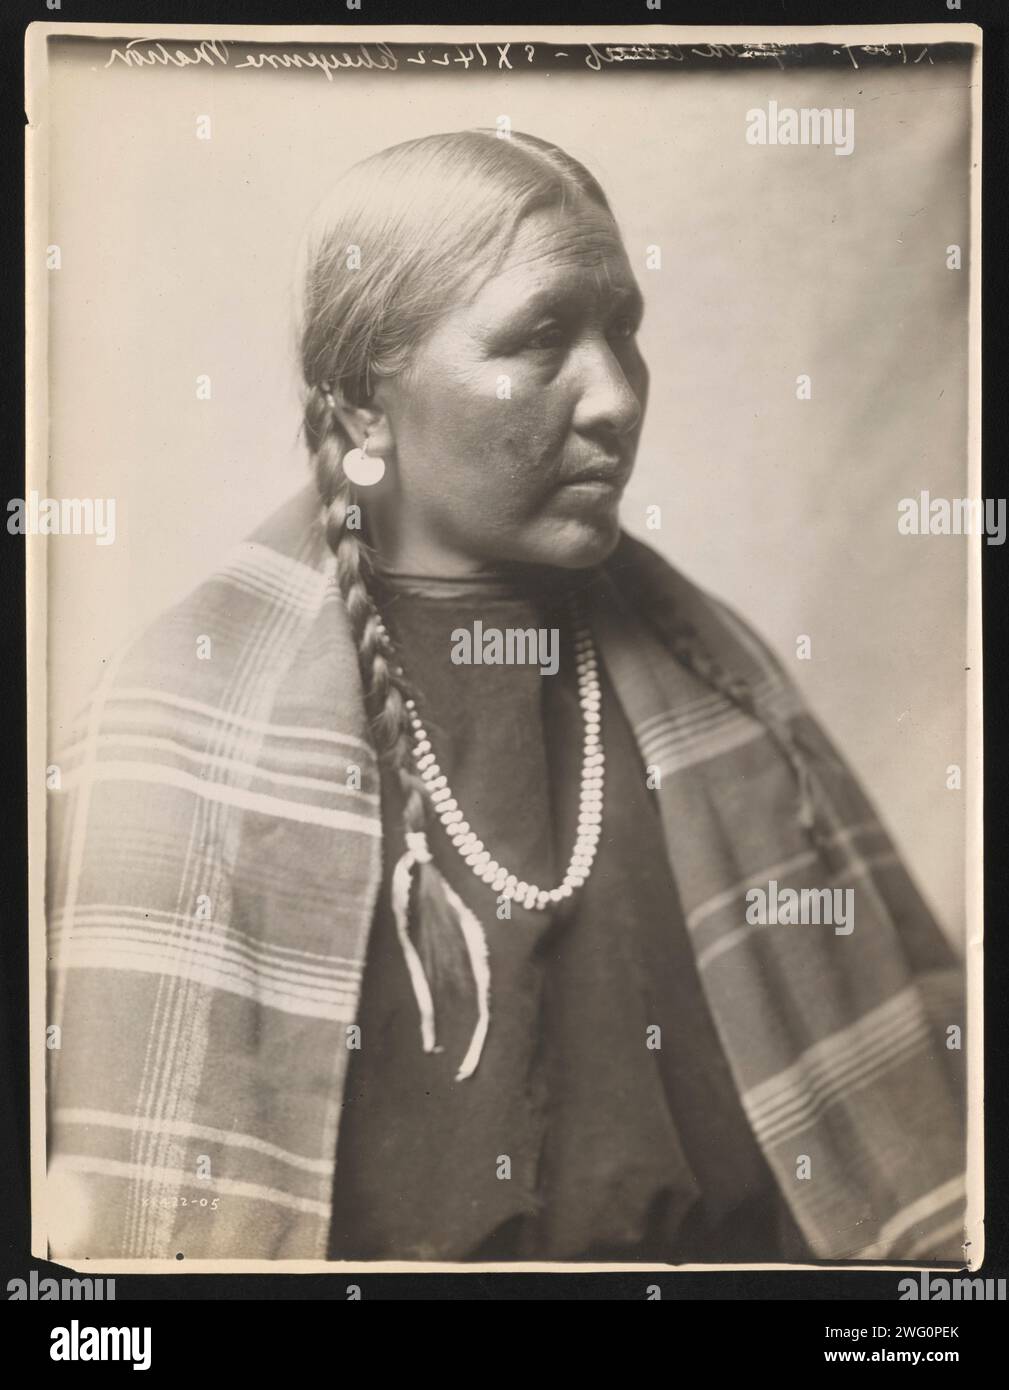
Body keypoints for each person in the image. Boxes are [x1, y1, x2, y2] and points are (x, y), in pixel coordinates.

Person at [47, 130, 966, 1263]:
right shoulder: (181, 735)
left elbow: (916, 1154)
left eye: (623, 328)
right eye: (540, 339)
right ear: (361, 405)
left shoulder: (720, 690)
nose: (617, 397)